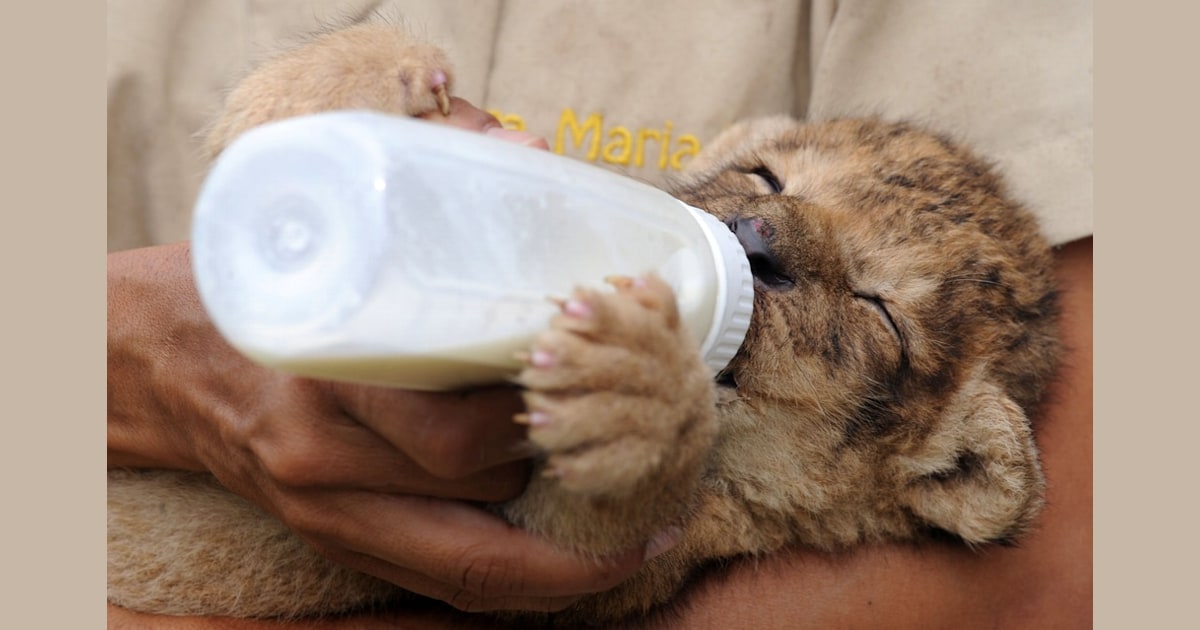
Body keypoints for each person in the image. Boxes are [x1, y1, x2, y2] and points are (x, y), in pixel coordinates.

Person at [107, 1, 1092, 627]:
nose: (766, 230)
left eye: (876, 310)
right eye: (761, 176)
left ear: (951, 468)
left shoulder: (732, 502)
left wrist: (650, 422)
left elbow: (599, 536)